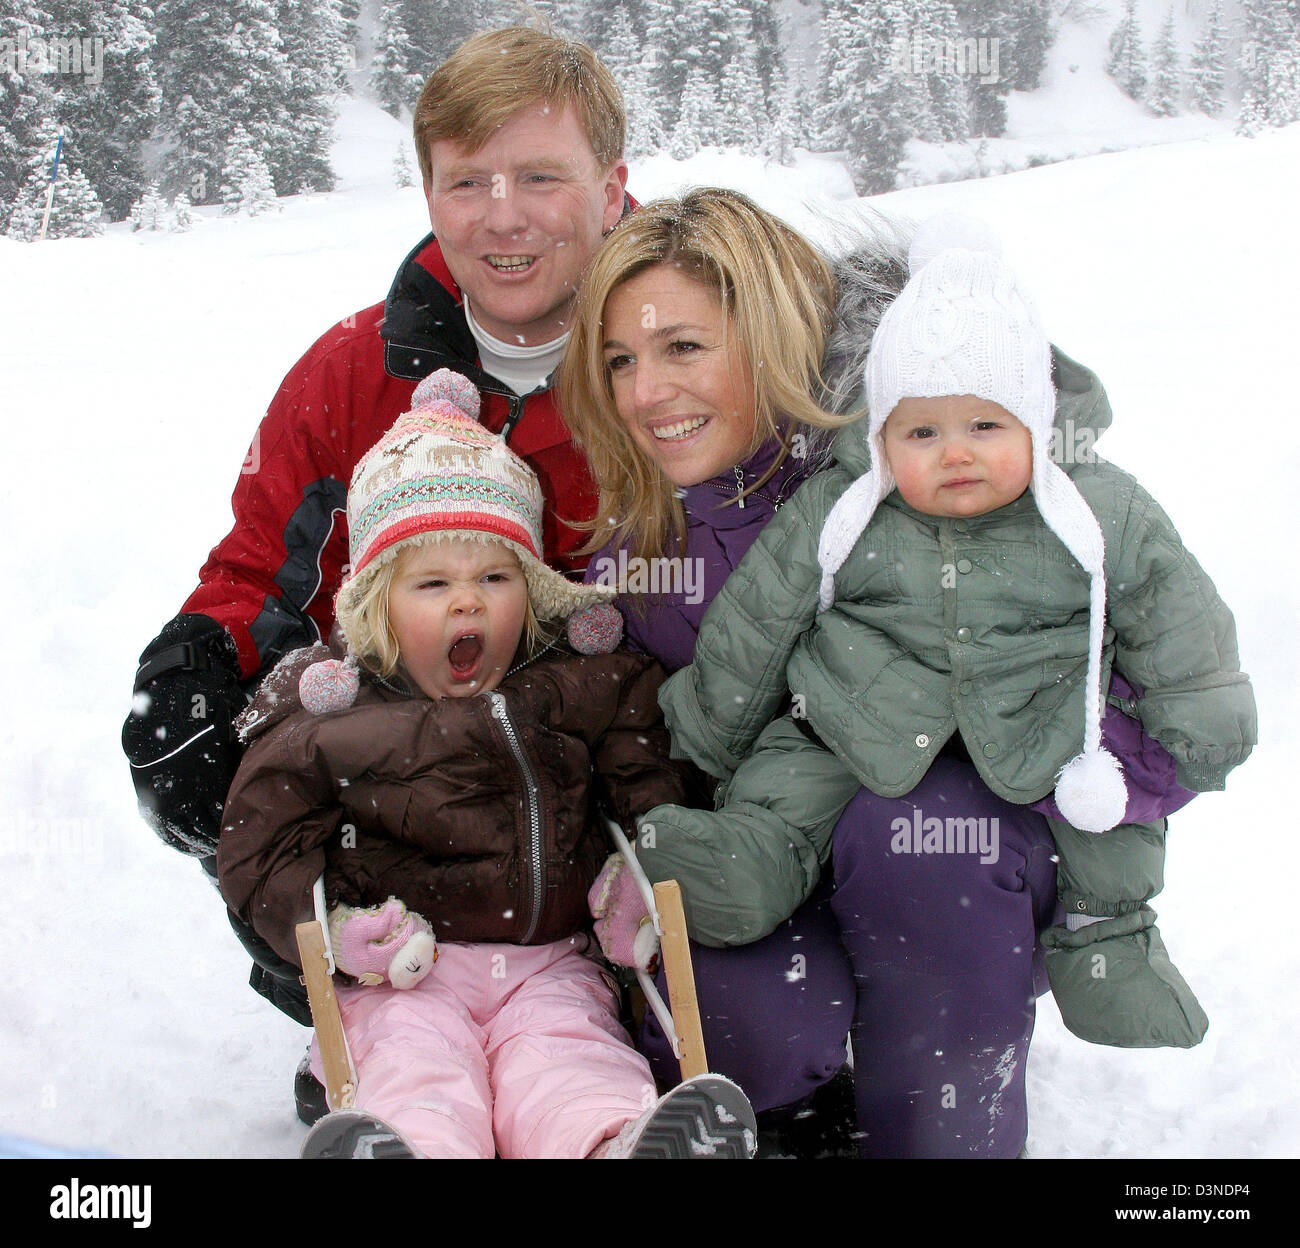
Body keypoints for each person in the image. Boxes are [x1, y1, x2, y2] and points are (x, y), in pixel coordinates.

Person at [557, 188, 1214, 1157]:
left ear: (773, 337)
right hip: (768, 860)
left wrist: (1072, 761)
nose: (647, 391)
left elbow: (1142, 671)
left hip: (953, 871)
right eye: (621, 360)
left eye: (683, 347)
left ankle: (944, 1125)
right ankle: (785, 1107)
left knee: (907, 829)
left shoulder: (935, 482)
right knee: (752, 1020)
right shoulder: (642, 551)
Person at [121, 26, 631, 1034]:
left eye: (541, 177)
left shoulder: (682, 343)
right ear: (429, 195)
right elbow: (262, 572)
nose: (503, 218)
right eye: (467, 183)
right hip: (414, 811)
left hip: (605, 790)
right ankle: (370, 1006)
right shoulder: (352, 371)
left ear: (612, 189)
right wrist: (196, 665)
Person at [216, 369, 757, 1159]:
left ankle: (614, 1144)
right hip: (406, 970)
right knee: (415, 1065)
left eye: (496, 578)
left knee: (570, 1058)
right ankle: (411, 1149)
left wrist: (636, 874)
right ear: (377, 603)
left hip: (551, 962)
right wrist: (331, 930)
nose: (468, 604)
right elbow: (258, 846)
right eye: (433, 583)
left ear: (532, 592)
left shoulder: (580, 685)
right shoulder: (334, 719)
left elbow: (649, 776)